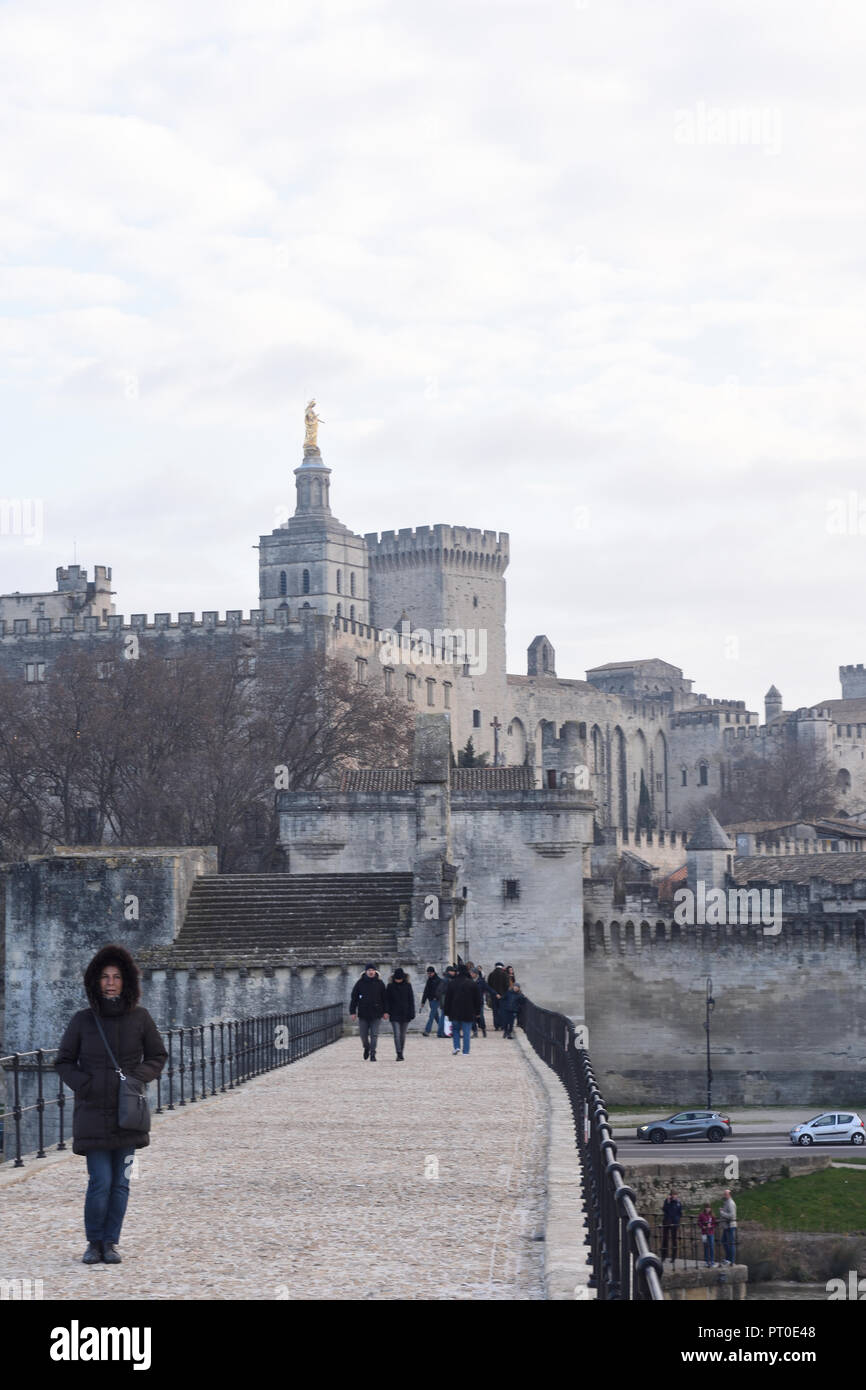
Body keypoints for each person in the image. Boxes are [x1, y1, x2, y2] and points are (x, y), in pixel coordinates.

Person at [55, 944, 167, 1266]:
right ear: (95, 981)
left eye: (116, 977)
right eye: (105, 977)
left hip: (129, 1117)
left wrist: (136, 1078)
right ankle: (93, 1242)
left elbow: (158, 1056)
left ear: (126, 981)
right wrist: (86, 1085)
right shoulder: (82, 1021)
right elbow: (63, 1062)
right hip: (92, 1115)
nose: (110, 982)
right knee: (100, 1181)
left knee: (122, 1182)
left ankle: (111, 1243)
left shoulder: (141, 1018)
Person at [349, 963, 388, 1061]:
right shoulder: (360, 983)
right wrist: (352, 1012)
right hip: (363, 1013)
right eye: (369, 970)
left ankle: (373, 1053)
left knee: (374, 1035)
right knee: (363, 1035)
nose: (371, 972)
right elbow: (354, 998)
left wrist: (386, 1011)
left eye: (372, 970)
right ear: (366, 971)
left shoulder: (380, 983)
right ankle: (366, 1047)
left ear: (375, 971)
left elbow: (385, 999)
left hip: (376, 1013)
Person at [443, 965, 478, 1056]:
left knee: (455, 1030)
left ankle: (456, 1047)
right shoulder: (472, 983)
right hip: (468, 1011)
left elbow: (448, 999)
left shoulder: (452, 983)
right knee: (466, 1031)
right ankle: (465, 1051)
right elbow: (477, 999)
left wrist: (446, 1011)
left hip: (455, 1011)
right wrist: (477, 1011)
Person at [385, 968, 415, 1061]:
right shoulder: (390, 986)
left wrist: (412, 1012)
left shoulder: (408, 986)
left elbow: (411, 1000)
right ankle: (398, 1052)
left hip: (405, 1013)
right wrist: (386, 1011)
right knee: (397, 1034)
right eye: (397, 979)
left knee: (402, 1035)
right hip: (394, 1013)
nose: (398, 981)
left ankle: (401, 1051)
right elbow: (387, 1000)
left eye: (400, 979)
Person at [661, 1189, 683, 1263]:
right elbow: (664, 1209)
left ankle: (673, 1257)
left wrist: (677, 1219)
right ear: (671, 1195)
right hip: (667, 1221)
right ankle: (663, 1256)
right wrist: (668, 1202)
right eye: (673, 1195)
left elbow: (680, 1212)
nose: (674, 1196)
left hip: (674, 1222)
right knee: (665, 1239)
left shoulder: (678, 1203)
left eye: (675, 1195)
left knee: (674, 1240)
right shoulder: (667, 1201)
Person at [486, 962, 509, 1030]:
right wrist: (503, 994)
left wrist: (494, 993)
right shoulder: (505, 974)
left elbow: (489, 985)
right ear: (502, 967)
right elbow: (507, 985)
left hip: (494, 995)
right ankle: (502, 1025)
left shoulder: (491, 974)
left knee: (495, 1011)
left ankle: (496, 1026)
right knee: (502, 1010)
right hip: (502, 996)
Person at [437, 964, 457, 1039]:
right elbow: (442, 991)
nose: (454, 972)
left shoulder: (447, 979)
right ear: (449, 972)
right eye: (453, 971)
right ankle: (441, 1032)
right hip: (445, 1001)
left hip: (445, 1001)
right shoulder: (446, 980)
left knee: (444, 1017)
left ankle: (443, 1032)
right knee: (443, 1017)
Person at [420, 966, 442, 1036]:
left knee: (431, 1016)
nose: (429, 975)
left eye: (430, 973)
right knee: (436, 1017)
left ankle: (427, 1031)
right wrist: (423, 1002)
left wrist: (437, 997)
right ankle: (442, 1029)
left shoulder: (439, 980)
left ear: (433, 972)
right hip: (431, 1000)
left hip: (436, 1000)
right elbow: (426, 991)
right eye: (428, 973)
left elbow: (441, 991)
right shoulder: (429, 980)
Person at [470, 968, 490, 1038]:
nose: (471, 974)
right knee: (472, 1017)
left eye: (472, 973)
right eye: (471, 973)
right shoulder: (469, 981)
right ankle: (475, 1032)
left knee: (480, 1017)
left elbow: (488, 988)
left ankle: (483, 1029)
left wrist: (496, 994)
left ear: (476, 974)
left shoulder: (481, 981)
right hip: (471, 1002)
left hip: (479, 1002)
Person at [719, 1190, 737, 1264]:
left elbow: (732, 1215)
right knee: (724, 1241)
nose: (724, 1195)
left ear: (729, 1195)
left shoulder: (730, 1203)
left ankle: (731, 1260)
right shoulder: (727, 1202)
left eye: (725, 1194)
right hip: (726, 1226)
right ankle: (728, 1259)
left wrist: (722, 1213)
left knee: (730, 1243)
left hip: (730, 1226)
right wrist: (723, 1210)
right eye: (724, 1194)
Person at [698, 1203, 717, 1267]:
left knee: (711, 1246)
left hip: (711, 1232)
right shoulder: (701, 1215)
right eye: (706, 1208)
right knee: (705, 1246)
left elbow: (715, 1223)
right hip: (704, 1233)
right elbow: (699, 1222)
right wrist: (702, 1226)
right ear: (705, 1208)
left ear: (710, 1208)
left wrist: (711, 1226)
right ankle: (706, 1261)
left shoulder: (712, 1215)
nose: (708, 1209)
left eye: (709, 1208)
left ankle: (712, 1261)